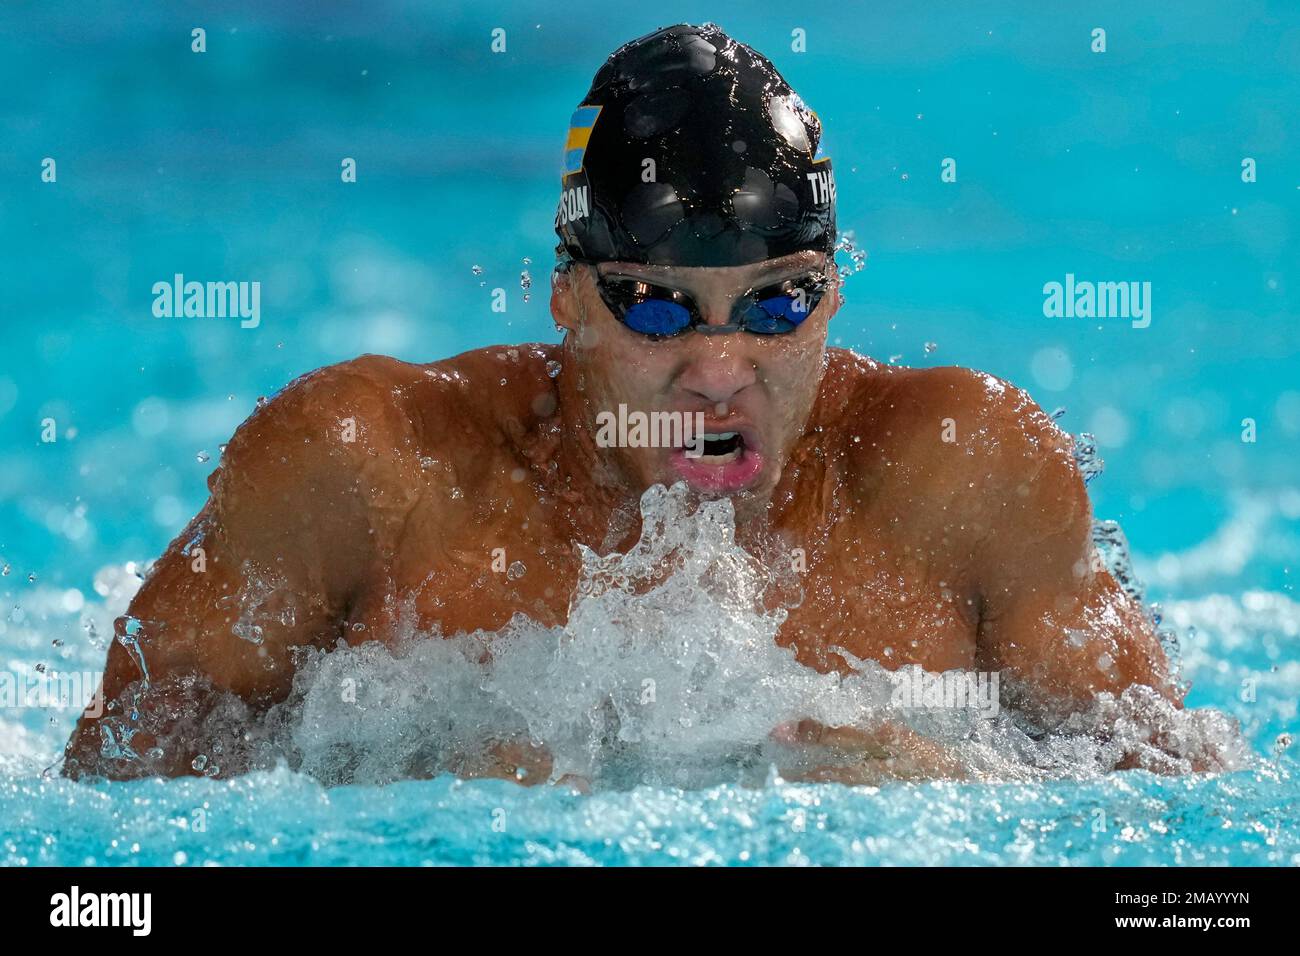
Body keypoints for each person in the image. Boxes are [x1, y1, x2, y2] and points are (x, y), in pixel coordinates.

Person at [63, 23, 1183, 784]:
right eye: (656, 310)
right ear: (566, 298)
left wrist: (964, 796)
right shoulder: (370, 471)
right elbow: (101, 827)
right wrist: (385, 795)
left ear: (834, 294)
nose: (718, 366)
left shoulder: (967, 476)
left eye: (775, 304)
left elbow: (1191, 850)